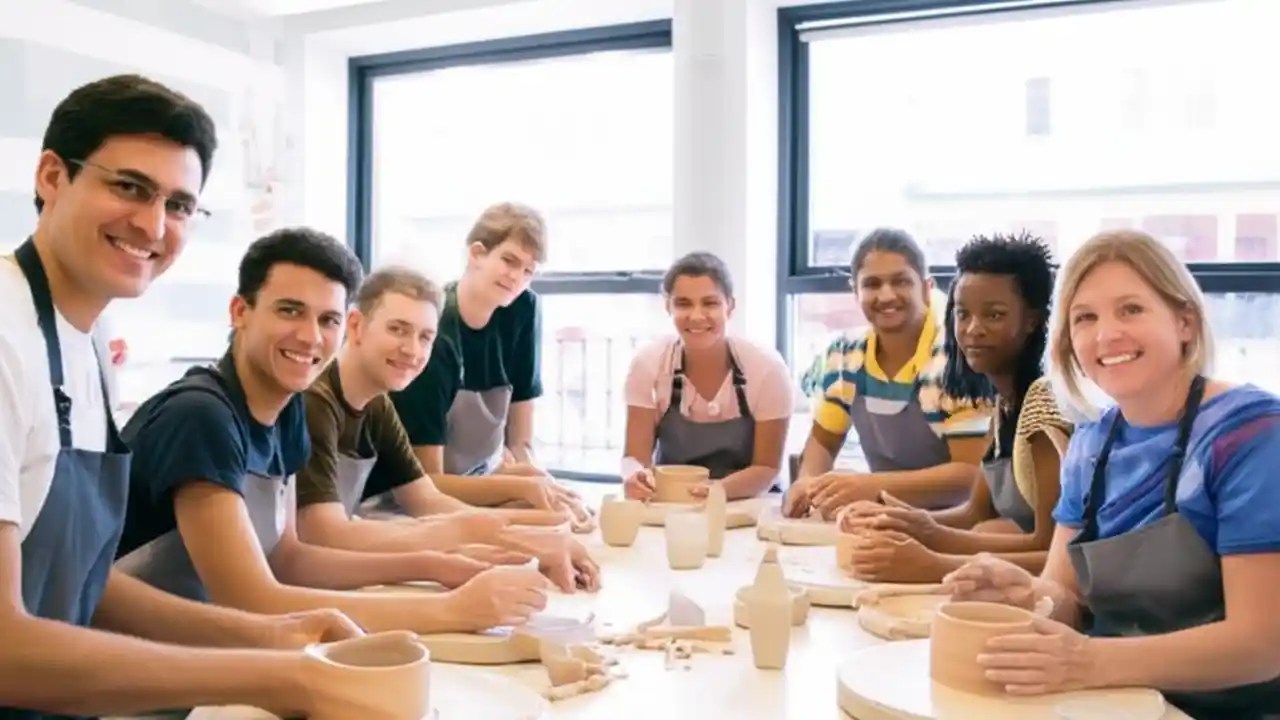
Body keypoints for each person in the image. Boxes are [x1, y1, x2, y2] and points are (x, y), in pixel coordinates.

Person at [0, 75, 382, 719]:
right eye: (129, 187)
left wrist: (278, 636)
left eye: (179, 205)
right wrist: (285, 679)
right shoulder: (6, 333)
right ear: (51, 176)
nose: (152, 224)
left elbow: (83, 588)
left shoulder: (87, 341)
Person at [115, 228, 549, 635]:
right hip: (135, 674)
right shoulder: (201, 416)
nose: (310, 336)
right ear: (239, 312)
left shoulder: (285, 413)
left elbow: (288, 559)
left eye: (327, 320)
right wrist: (449, 611)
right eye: (290, 311)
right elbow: (251, 600)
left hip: (210, 645)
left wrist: (437, 565)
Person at [944, 230, 1280, 719]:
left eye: (1131, 310)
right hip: (1116, 703)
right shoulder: (1091, 443)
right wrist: (1027, 593)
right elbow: (1066, 598)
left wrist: (1088, 661)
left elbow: (1262, 642)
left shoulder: (1249, 433)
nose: (1106, 336)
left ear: (1184, 322)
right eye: (1085, 318)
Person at [295, 265, 600, 592]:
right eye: (398, 329)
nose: (412, 350)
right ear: (355, 326)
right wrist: (509, 538)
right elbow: (326, 534)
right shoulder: (314, 402)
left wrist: (536, 533)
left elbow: (427, 499)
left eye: (425, 337)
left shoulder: (377, 404)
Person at [841, 233, 1070, 582]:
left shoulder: (1044, 406)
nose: (973, 330)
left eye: (994, 315)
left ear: (1033, 320)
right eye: (962, 314)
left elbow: (1053, 550)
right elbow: (972, 513)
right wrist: (899, 518)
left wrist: (932, 555)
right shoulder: (1004, 402)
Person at [389, 203, 585, 517]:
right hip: (412, 500)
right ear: (477, 254)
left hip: (479, 478)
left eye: (528, 271)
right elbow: (426, 484)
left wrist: (543, 487)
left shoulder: (523, 310)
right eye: (509, 261)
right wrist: (520, 489)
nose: (517, 278)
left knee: (566, 511)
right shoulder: (435, 333)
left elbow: (521, 445)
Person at [785, 228, 988, 519]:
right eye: (872, 284)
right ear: (855, 291)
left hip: (960, 526)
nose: (886, 295)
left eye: (901, 281)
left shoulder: (957, 359)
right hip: (888, 518)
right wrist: (807, 485)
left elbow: (970, 475)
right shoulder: (844, 356)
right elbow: (823, 442)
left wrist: (871, 486)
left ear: (927, 289)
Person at [620, 252, 793, 500]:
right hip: (675, 503)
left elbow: (767, 467)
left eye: (710, 303)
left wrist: (714, 492)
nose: (697, 316)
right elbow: (635, 457)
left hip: (752, 505)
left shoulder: (766, 368)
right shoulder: (648, 365)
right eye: (683, 303)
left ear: (730, 307)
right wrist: (634, 476)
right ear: (667, 306)